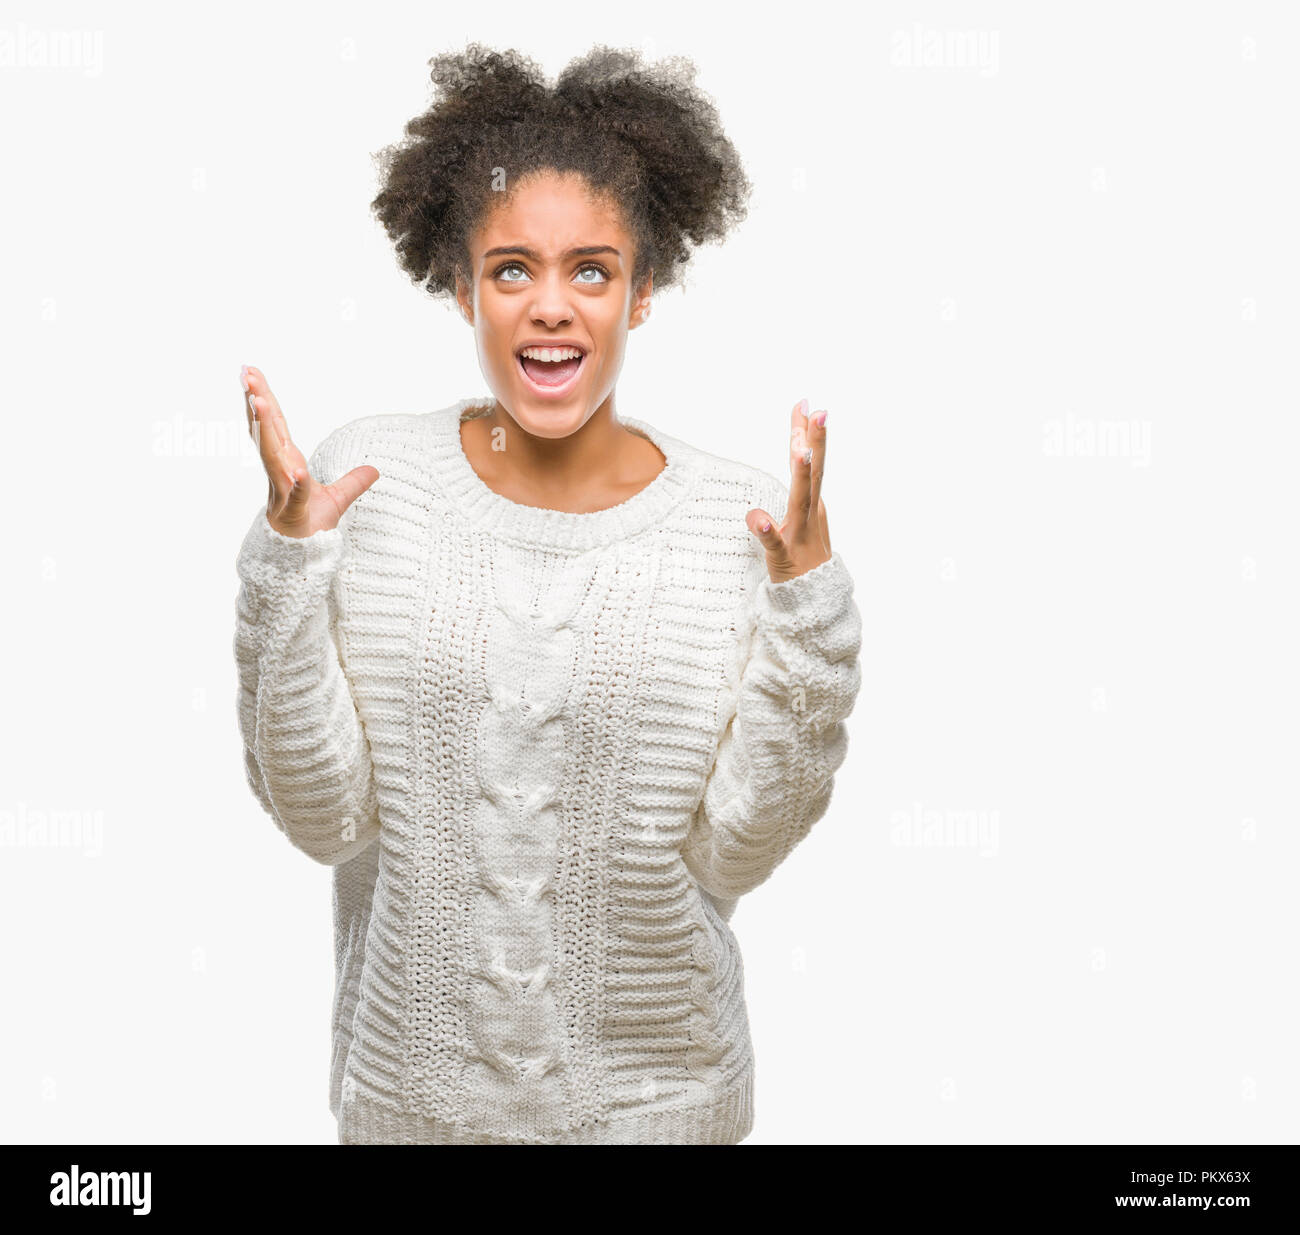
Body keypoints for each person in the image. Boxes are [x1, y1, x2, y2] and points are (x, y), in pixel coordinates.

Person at [233, 43, 862, 1145]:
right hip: (411, 1109)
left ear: (643, 290)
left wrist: (810, 614)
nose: (551, 308)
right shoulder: (363, 481)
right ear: (462, 284)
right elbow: (321, 818)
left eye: (593, 269)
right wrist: (285, 568)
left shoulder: (741, 522)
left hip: (660, 1112)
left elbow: (735, 853)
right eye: (512, 268)